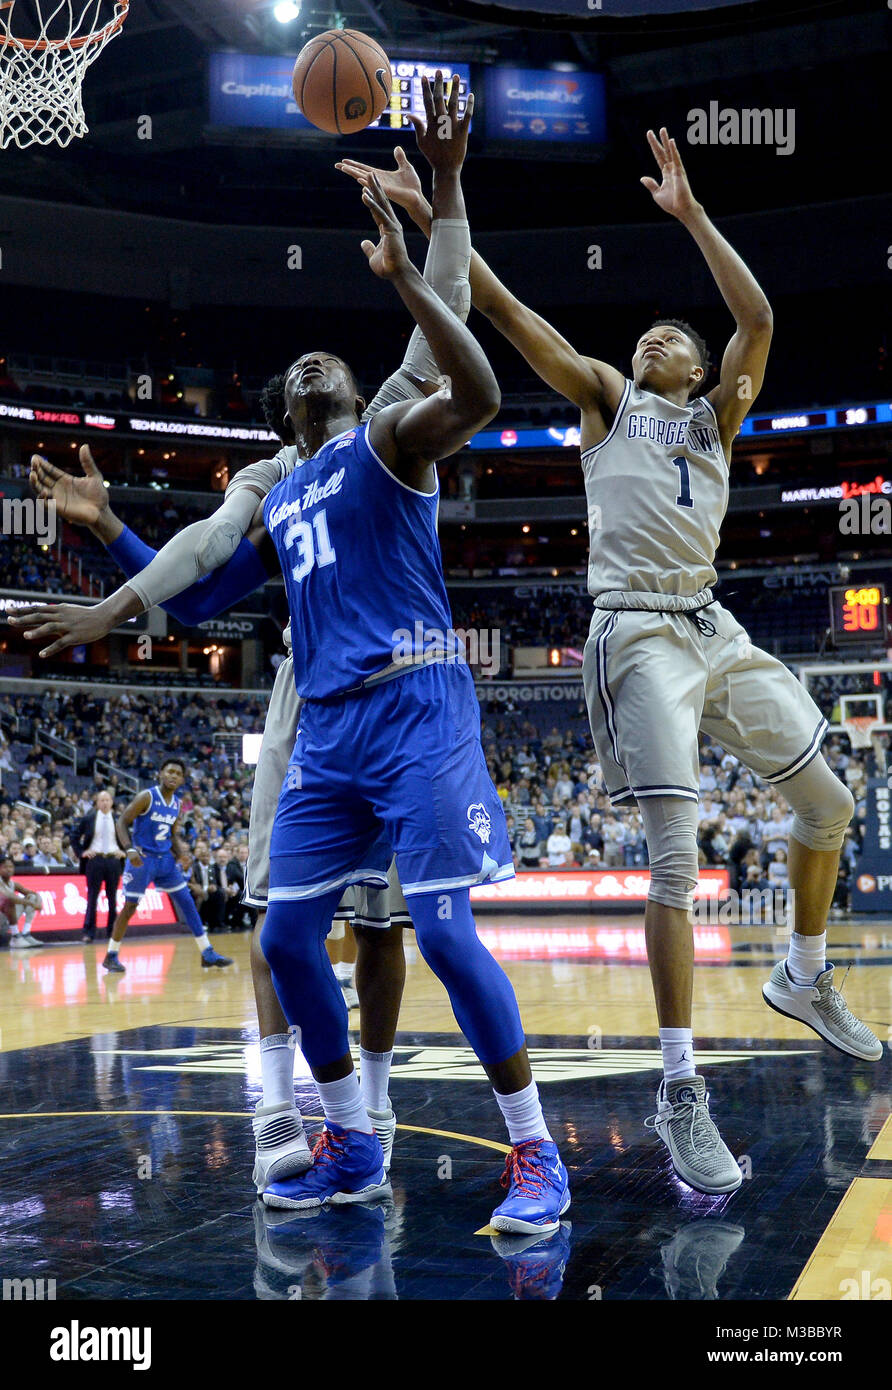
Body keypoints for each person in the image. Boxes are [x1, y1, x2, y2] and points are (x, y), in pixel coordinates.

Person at [16, 147, 572, 1233]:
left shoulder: (390, 434)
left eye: (334, 358)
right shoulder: (275, 490)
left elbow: (476, 372)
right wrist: (112, 588)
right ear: (287, 415)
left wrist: (437, 216)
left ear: (360, 393)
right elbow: (202, 575)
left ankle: (537, 1153)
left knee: (442, 934)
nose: (315, 361)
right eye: (300, 369)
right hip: (328, 727)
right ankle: (348, 1136)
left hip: (415, 704)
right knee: (279, 936)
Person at [335, 123, 882, 1193]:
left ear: (694, 364)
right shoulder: (603, 397)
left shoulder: (719, 417)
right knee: (676, 862)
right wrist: (432, 211)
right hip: (635, 628)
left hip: (713, 624)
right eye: (646, 337)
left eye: (669, 336)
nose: (653, 341)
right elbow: (501, 308)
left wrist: (689, 217)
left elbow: (756, 318)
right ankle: (680, 1088)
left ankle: (803, 970)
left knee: (829, 808)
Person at [102, 759, 232, 973]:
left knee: (187, 901)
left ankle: (207, 952)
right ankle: (111, 955)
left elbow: (171, 834)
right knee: (130, 908)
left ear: (182, 779)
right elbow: (122, 822)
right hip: (142, 859)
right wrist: (129, 848)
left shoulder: (177, 804)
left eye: (178, 773)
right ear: (160, 774)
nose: (173, 776)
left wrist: (181, 854)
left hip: (166, 861)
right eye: (169, 771)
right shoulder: (147, 797)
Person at [72, 788, 125, 941]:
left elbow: (129, 838)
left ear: (112, 802)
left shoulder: (119, 820)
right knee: (92, 897)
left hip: (113, 860)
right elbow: (74, 835)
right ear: (97, 803)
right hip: (94, 860)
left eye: (107, 800)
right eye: (102, 800)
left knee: (112, 898)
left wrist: (125, 852)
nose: (104, 803)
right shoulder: (89, 818)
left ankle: (112, 932)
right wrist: (82, 852)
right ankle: (89, 932)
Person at [0, 856, 42, 948]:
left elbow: (35, 894)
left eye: (11, 867)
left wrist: (38, 902)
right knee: (9, 901)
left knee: (32, 897)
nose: (9, 869)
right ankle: (15, 937)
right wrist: (32, 904)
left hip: (5, 922)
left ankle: (26, 933)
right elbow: (10, 897)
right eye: (5, 867)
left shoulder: (13, 884)